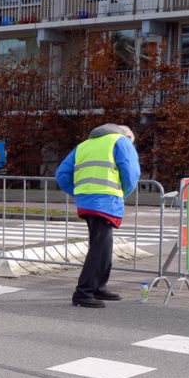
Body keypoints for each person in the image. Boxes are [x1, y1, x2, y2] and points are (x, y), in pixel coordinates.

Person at [55, 124, 141, 308]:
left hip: (87, 201)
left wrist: (80, 192)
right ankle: (83, 292)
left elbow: (61, 175)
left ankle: (98, 287)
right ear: (127, 136)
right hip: (106, 200)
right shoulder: (121, 141)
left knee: (103, 246)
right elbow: (131, 173)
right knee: (100, 248)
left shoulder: (84, 145)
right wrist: (122, 194)